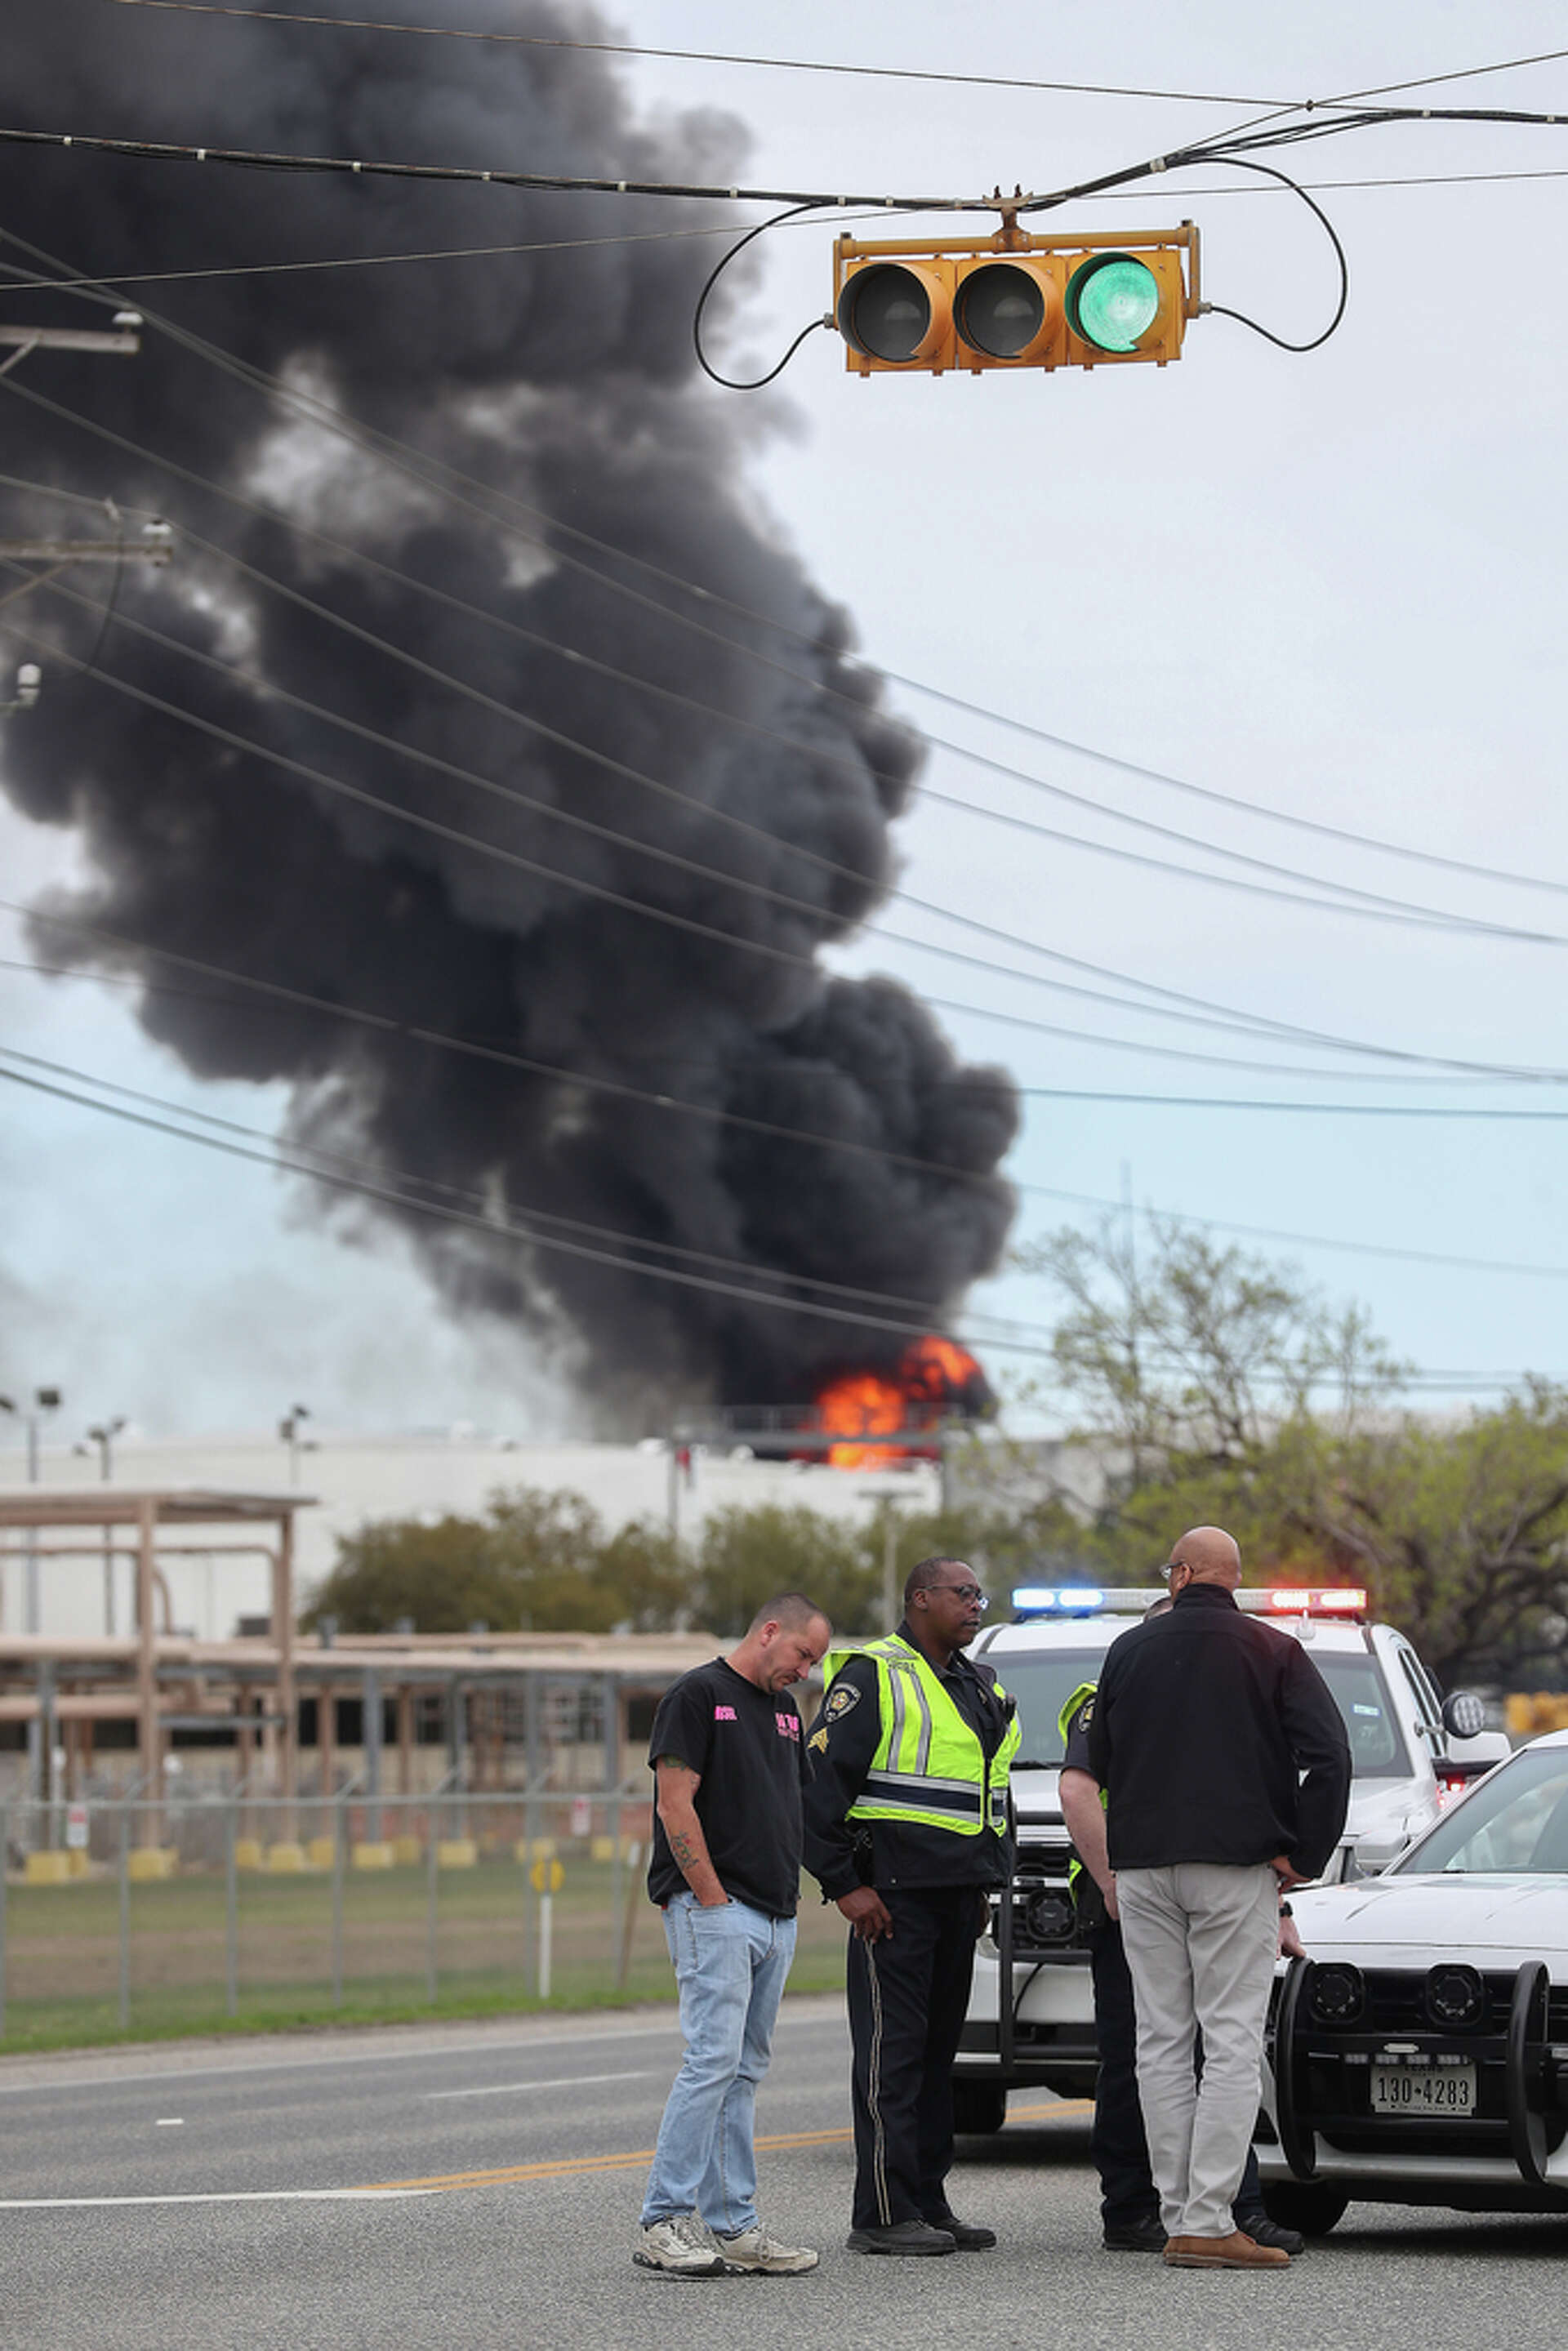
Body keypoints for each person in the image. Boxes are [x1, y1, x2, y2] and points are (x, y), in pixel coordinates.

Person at [1086, 1526, 1350, 2272]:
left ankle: (1177, 2216)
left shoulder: (1127, 1652)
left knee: (1160, 2039)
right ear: (1231, 1579)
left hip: (1142, 1867)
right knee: (1230, 2039)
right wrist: (1301, 1854)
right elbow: (1330, 1755)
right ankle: (1209, 2216)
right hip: (1234, 1866)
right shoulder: (1272, 1650)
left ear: (1183, 1573)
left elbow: (1098, 1761)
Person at [803, 1557, 1020, 2256]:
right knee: (890, 2059)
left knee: (935, 2062)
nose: (976, 1603)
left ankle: (927, 2199)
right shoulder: (874, 1674)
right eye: (963, 1592)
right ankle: (882, 2211)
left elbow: (989, 1796)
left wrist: (987, 1884)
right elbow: (815, 1791)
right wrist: (845, 1885)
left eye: (980, 1593)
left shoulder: (978, 1684)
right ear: (920, 1598)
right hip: (889, 1901)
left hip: (957, 1898)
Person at [1058, 1651, 1307, 2257]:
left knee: (1202, 2050)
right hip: (1134, 1895)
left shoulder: (1215, 1696)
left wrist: (1276, 1909)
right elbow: (1077, 1788)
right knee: (1151, 2052)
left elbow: (1240, 1807)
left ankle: (1226, 2207)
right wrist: (1111, 1880)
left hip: (1184, 1889)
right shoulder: (1112, 1691)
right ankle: (1137, 2207)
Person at [635, 1591, 832, 2278]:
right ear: (770, 1630)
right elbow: (673, 1802)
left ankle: (735, 2224)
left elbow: (787, 1804)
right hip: (715, 1910)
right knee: (712, 2059)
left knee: (744, 2069)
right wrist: (712, 1899)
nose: (805, 1671)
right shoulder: (696, 1694)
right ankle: (664, 2218)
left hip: (776, 1914)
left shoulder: (782, 1711)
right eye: (803, 1653)